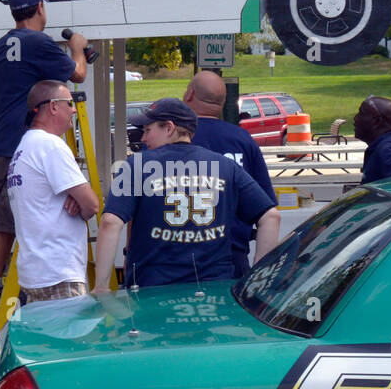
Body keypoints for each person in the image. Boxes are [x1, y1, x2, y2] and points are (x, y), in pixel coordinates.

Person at [0, 0, 88, 321]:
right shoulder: (38, 42)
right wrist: (76, 48)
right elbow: (76, 74)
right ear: (39, 7)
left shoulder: (1, 45)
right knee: (4, 226)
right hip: (12, 146)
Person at [93, 98, 279, 291]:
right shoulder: (225, 166)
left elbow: (110, 222)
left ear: (169, 128)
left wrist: (101, 286)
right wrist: (258, 277)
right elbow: (271, 216)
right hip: (215, 291)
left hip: (152, 290)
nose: (143, 138)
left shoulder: (137, 165)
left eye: (148, 130)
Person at [6, 80, 101, 302]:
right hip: (59, 273)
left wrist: (75, 198)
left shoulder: (25, 146)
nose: (74, 109)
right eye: (69, 103)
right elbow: (92, 205)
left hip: (36, 273)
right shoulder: (50, 145)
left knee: (46, 338)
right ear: (53, 106)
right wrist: (80, 201)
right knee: (70, 338)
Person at [183, 69, 274, 278]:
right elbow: (268, 210)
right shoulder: (243, 140)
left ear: (189, 95)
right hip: (232, 256)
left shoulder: (172, 139)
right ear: (223, 103)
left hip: (176, 258)